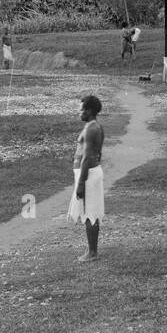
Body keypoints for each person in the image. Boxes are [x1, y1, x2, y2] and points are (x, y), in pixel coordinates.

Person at [67, 94, 106, 262]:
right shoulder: (95, 126)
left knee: (90, 211)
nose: (79, 112)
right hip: (91, 172)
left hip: (88, 174)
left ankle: (92, 252)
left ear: (89, 111)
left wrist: (82, 183)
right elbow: (98, 154)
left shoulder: (91, 129)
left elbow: (87, 157)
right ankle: (91, 249)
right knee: (89, 210)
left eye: (81, 109)